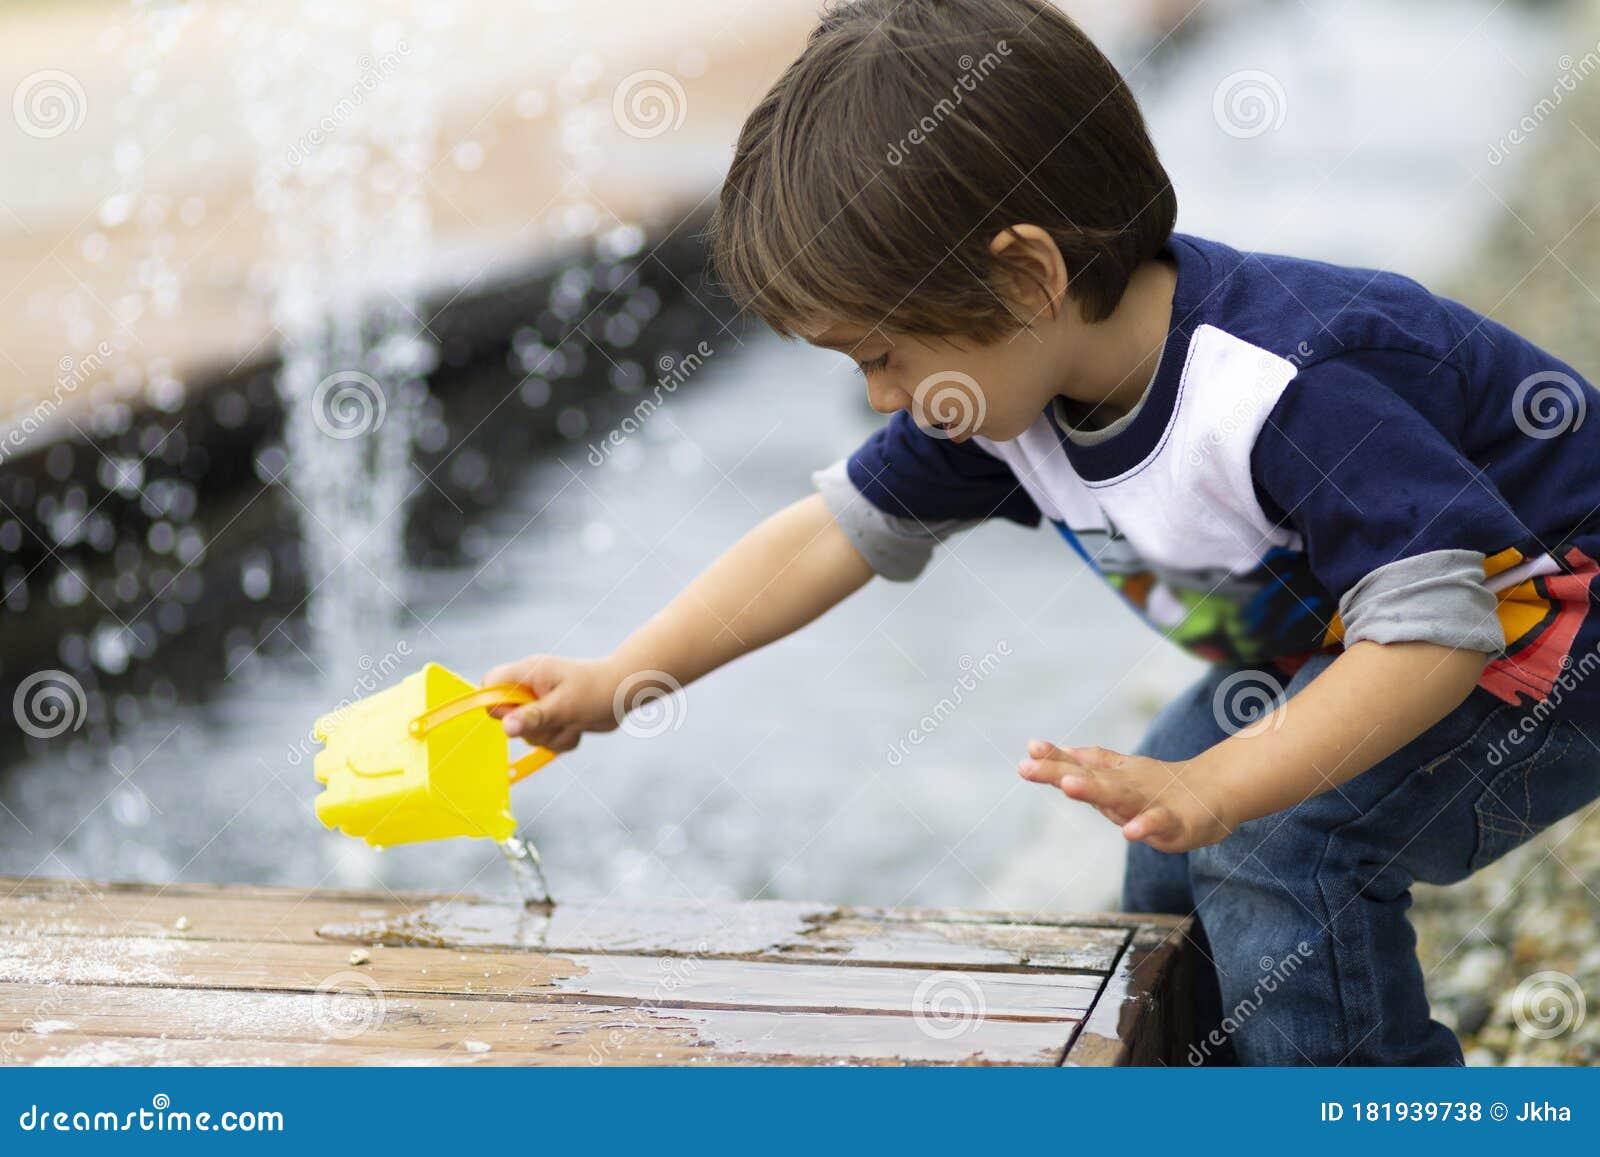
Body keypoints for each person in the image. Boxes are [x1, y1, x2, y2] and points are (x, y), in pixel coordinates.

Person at [486, 0, 1600, 1064]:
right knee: (1169, 817)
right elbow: (829, 534)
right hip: (1376, 633)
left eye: (882, 354)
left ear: (1024, 277)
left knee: (1274, 839)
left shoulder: (1279, 386)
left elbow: (1436, 630)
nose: (880, 397)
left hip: (1545, 632)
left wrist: (1226, 786)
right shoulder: (1004, 390)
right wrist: (620, 677)